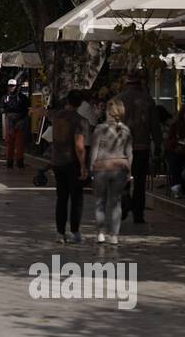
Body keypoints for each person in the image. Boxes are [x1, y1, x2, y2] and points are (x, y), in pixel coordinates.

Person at [115, 72, 161, 224]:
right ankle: (138, 215)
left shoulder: (117, 100)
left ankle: (125, 200)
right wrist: (158, 144)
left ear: (126, 83)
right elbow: (155, 126)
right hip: (142, 147)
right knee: (140, 182)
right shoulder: (148, 100)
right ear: (140, 83)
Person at [90, 97, 133, 244]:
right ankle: (114, 235)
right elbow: (129, 153)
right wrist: (130, 171)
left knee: (100, 202)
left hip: (101, 167)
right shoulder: (126, 130)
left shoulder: (99, 129)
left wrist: (91, 166)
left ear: (108, 111)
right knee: (116, 202)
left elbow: (94, 149)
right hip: (120, 168)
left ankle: (101, 233)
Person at [49, 91, 88, 244]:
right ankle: (74, 231)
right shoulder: (80, 120)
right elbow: (79, 146)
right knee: (77, 197)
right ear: (80, 104)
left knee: (62, 198)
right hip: (72, 162)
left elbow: (46, 113)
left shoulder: (57, 116)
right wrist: (83, 165)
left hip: (57, 161)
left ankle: (60, 232)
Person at [165, 106, 185, 194]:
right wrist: (177, 142)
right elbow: (170, 142)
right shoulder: (175, 125)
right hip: (176, 150)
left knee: (179, 158)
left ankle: (178, 185)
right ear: (183, 114)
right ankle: (177, 185)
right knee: (175, 157)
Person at [2, 80, 30, 169]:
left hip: (20, 121)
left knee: (19, 143)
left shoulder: (23, 97)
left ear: (16, 86)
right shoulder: (5, 97)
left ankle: (20, 162)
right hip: (9, 121)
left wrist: (21, 120)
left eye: (13, 86)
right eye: (10, 86)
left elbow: (27, 110)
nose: (11, 87)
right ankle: (9, 162)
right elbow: (2, 108)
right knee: (9, 143)